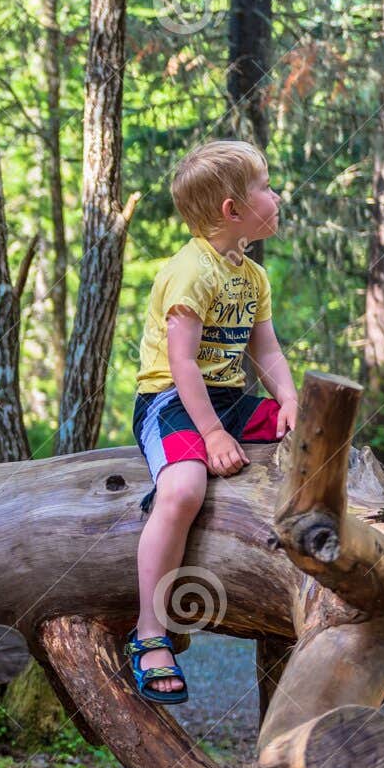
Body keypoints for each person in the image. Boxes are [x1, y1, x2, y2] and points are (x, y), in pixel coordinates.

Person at [128, 139, 298, 704]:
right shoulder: (190, 272)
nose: (275, 197)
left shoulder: (251, 276)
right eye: (266, 188)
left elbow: (265, 352)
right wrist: (213, 435)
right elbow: (181, 365)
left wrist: (291, 400)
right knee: (184, 488)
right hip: (172, 400)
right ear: (233, 210)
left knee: (314, 433)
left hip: (226, 395)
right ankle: (151, 634)